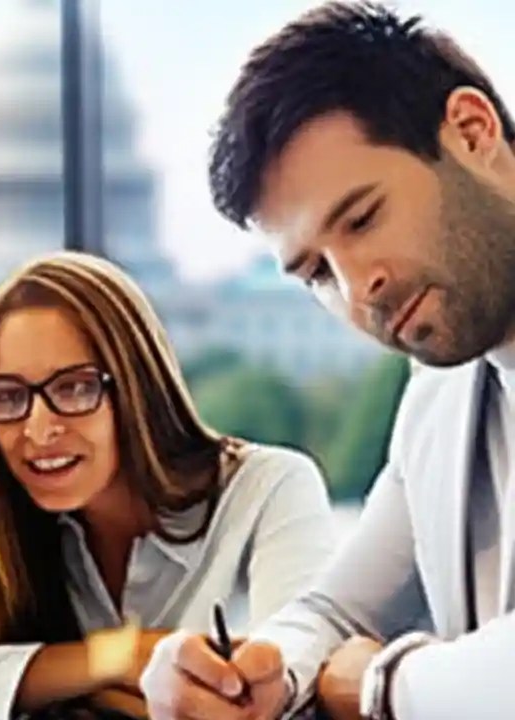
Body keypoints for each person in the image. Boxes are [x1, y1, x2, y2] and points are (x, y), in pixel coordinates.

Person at [139, 3, 515, 719]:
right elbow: (337, 610)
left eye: (364, 217)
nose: (356, 289)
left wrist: (381, 685)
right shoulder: (437, 396)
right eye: (314, 271)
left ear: (472, 131)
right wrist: (254, 677)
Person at [0, 252, 336, 719]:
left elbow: (289, 687)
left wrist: (59, 688)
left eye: (74, 388)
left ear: (138, 386)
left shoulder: (271, 488)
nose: (38, 430)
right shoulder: (16, 532)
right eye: (8, 397)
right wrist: (114, 657)